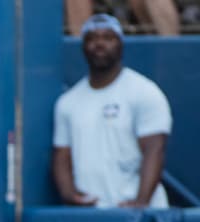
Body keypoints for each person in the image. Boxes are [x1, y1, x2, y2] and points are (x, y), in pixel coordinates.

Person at [53, 13, 172, 208]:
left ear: (120, 44)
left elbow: (154, 150)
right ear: (83, 46)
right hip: (94, 214)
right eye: (92, 38)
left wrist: (140, 202)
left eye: (108, 38)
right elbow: (61, 155)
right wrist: (70, 195)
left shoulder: (145, 92)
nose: (99, 44)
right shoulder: (68, 102)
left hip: (142, 216)